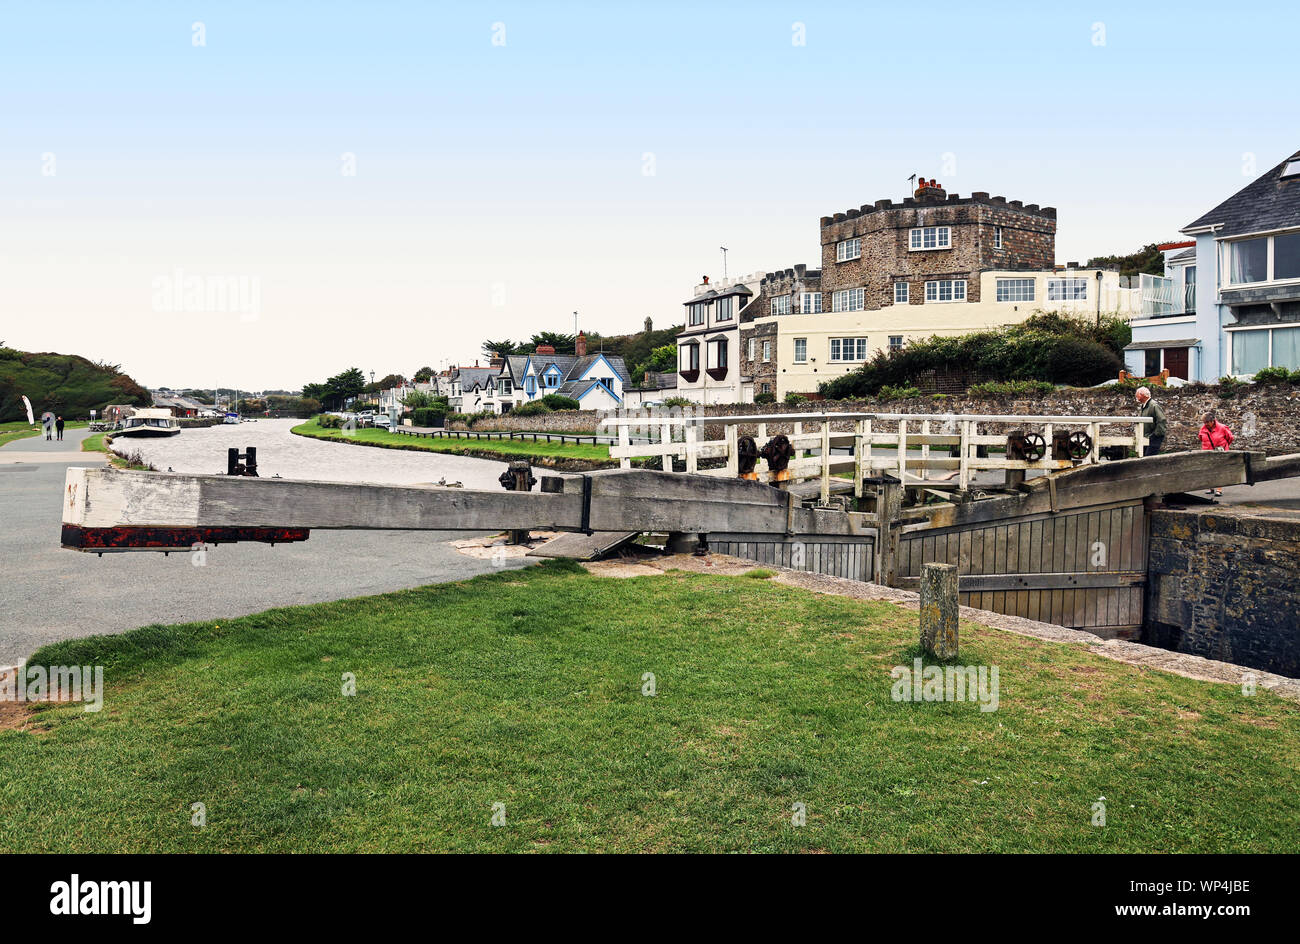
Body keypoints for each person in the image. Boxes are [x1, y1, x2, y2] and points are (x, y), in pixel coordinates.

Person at [1198, 411, 1234, 497]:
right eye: (1204, 422)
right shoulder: (1203, 429)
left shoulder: (1222, 428)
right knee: (1208, 470)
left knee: (1219, 470)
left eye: (1207, 422)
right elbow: (1200, 438)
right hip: (1207, 451)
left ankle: (1219, 489)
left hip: (1220, 451)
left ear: (1212, 421)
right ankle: (1210, 487)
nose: (1205, 424)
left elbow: (1230, 438)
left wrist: (1224, 446)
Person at [1134, 386, 1166, 456]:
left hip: (1154, 437)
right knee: (1145, 457)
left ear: (1143, 395)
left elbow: (1162, 420)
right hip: (1147, 436)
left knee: (1149, 458)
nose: (1136, 396)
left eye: (1137, 394)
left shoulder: (1154, 405)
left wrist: (1155, 435)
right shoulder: (1144, 406)